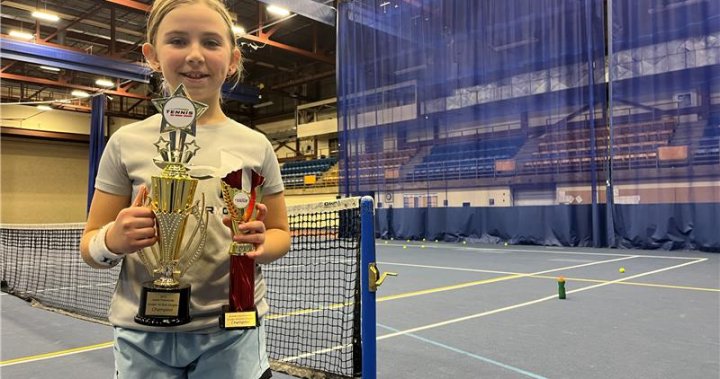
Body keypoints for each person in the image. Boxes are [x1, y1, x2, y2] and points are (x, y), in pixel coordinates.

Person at [79, 0, 291, 377]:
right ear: (152, 55)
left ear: (232, 60)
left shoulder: (256, 146)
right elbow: (91, 247)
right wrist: (114, 239)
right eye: (178, 41)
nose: (195, 55)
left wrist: (259, 244)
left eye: (211, 43)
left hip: (232, 333)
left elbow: (279, 235)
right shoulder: (126, 142)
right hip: (142, 336)